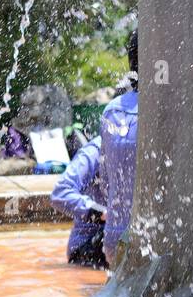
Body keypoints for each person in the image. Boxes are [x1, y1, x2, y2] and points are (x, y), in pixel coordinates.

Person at [99, 31, 139, 266]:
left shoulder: (112, 110)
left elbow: (106, 180)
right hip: (155, 238)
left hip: (114, 234)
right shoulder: (170, 110)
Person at [49, 135, 107, 267]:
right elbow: (60, 193)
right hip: (87, 245)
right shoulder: (94, 151)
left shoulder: (144, 147)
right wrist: (102, 213)